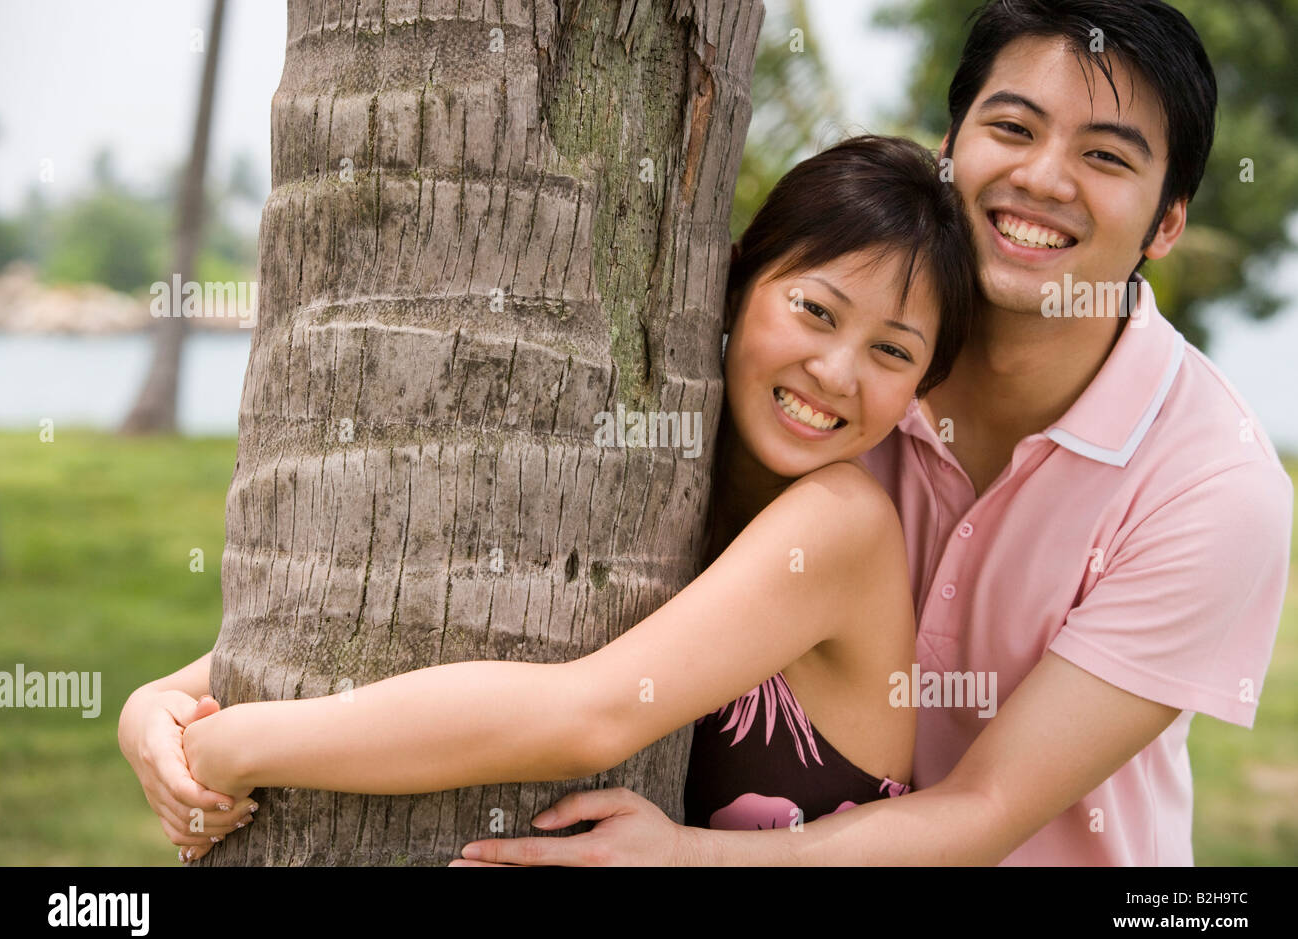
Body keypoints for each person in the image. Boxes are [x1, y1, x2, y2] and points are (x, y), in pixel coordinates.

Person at [451, 0, 1294, 867]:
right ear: (950, 146)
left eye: (1105, 156)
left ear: (1166, 221)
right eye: (1013, 128)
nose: (1044, 178)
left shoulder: (1215, 488)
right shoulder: (836, 373)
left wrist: (685, 857)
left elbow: (986, 805)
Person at [118, 134, 981, 861]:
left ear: (922, 390)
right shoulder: (654, 485)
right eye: (816, 312)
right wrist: (153, 708)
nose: (836, 374)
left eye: (893, 354)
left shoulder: (843, 524)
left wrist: (238, 745)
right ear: (733, 284)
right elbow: (429, 616)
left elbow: (591, 719)